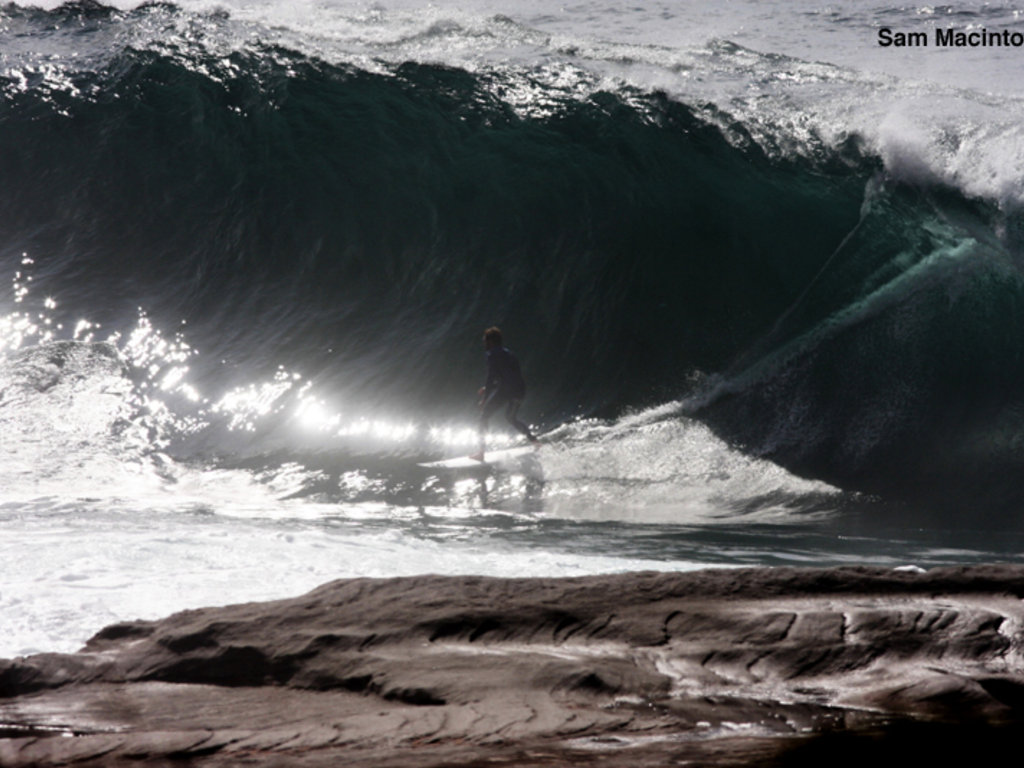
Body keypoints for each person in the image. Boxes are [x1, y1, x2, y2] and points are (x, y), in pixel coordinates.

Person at [470, 326, 538, 461]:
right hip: (519, 389)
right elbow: (510, 374)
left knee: (483, 417)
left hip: (507, 391)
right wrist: (489, 387)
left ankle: (480, 453)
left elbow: (491, 377)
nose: (484, 344)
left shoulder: (491, 355)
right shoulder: (509, 353)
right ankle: (535, 442)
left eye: (485, 341)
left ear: (491, 342)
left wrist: (484, 398)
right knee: (511, 417)